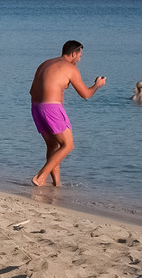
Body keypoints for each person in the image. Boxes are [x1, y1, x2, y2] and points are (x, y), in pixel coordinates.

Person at [29, 40, 105, 188]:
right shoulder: (70, 68)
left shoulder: (45, 64)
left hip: (36, 108)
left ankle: (56, 184)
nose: (80, 59)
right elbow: (86, 94)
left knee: (53, 146)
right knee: (68, 145)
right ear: (73, 53)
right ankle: (40, 177)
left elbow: (32, 90)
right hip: (51, 108)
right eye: (80, 56)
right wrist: (97, 85)